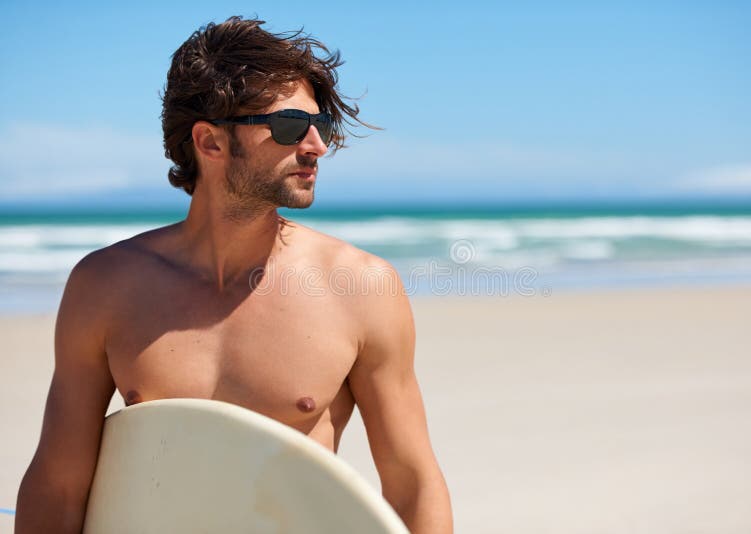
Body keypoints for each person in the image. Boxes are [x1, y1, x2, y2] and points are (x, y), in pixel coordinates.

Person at [16, 16, 452, 534]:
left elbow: (411, 481)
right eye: (291, 125)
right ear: (211, 142)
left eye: (321, 127)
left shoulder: (360, 288)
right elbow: (59, 481)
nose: (316, 146)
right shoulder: (106, 286)